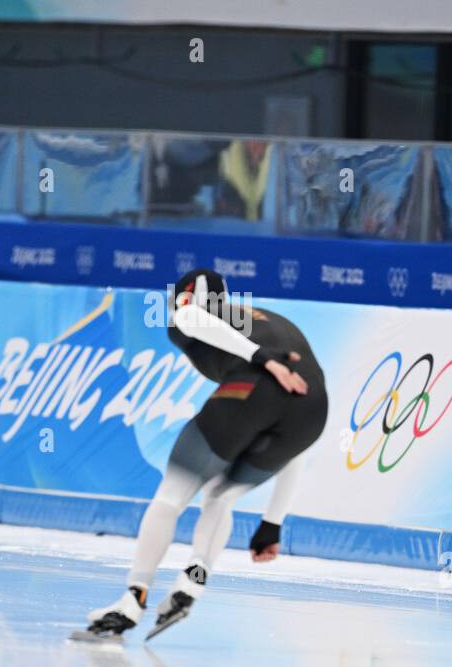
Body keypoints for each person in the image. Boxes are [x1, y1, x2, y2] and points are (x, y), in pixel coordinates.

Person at [80, 268, 328, 639]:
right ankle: (194, 578)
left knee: (171, 497)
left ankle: (134, 596)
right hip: (312, 414)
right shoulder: (272, 320)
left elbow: (190, 317)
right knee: (221, 496)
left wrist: (262, 359)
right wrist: (273, 522)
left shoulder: (192, 313)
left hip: (251, 390)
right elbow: (296, 446)